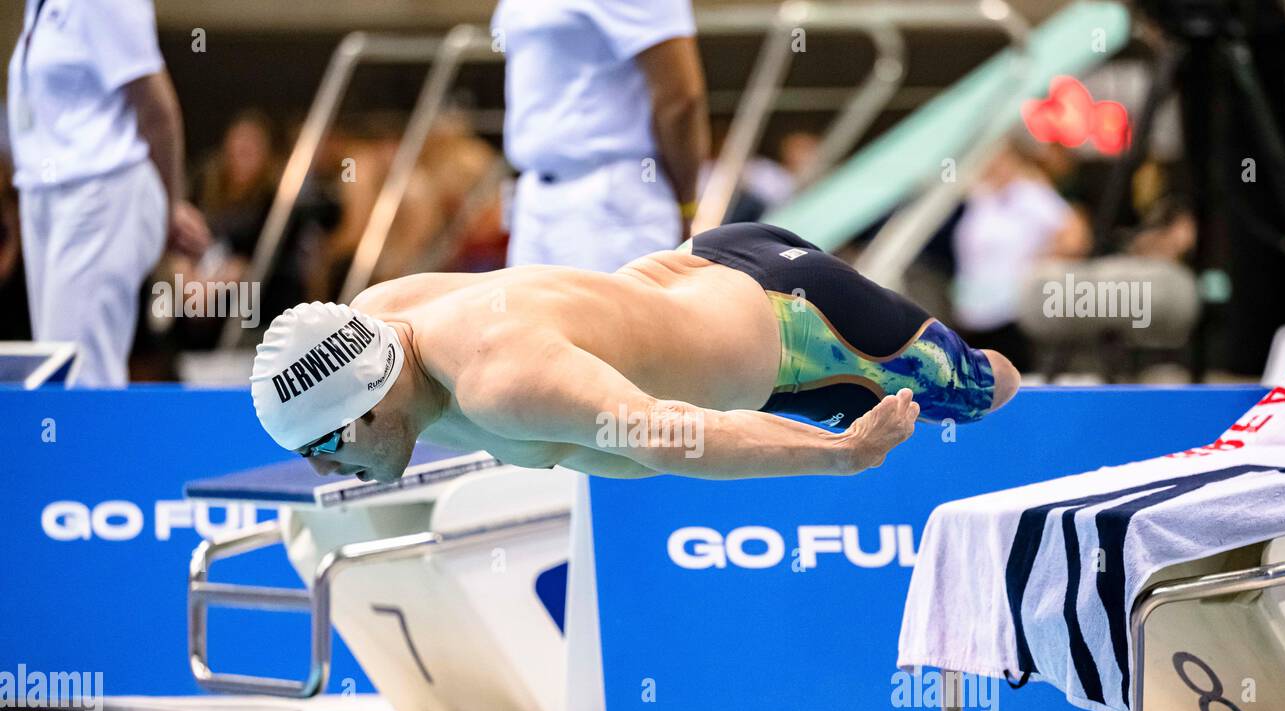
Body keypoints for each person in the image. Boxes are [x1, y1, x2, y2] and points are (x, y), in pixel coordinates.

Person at [250, 223, 1019, 483]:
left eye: (326, 445)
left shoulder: (498, 376)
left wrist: (841, 453)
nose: (321, 467)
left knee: (987, 389)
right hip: (703, 268)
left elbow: (668, 435)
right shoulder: (378, 317)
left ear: (373, 399)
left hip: (805, 330)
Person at [6, 0, 208, 386]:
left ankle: (92, 445)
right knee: (54, 364)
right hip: (42, 195)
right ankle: (64, 446)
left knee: (81, 368)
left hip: (102, 190)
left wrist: (169, 205)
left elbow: (158, 111)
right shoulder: (38, 5)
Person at [492, 0, 708, 270]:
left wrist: (686, 204)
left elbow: (681, 100)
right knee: (524, 313)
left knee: (614, 313)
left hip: (610, 198)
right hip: (533, 194)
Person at [951, 139, 1089, 371]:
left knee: (1014, 379)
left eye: (1000, 160)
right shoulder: (980, 197)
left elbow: (1075, 238)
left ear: (1014, 161)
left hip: (1011, 312)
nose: (993, 166)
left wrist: (1040, 262)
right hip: (973, 313)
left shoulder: (1031, 195)